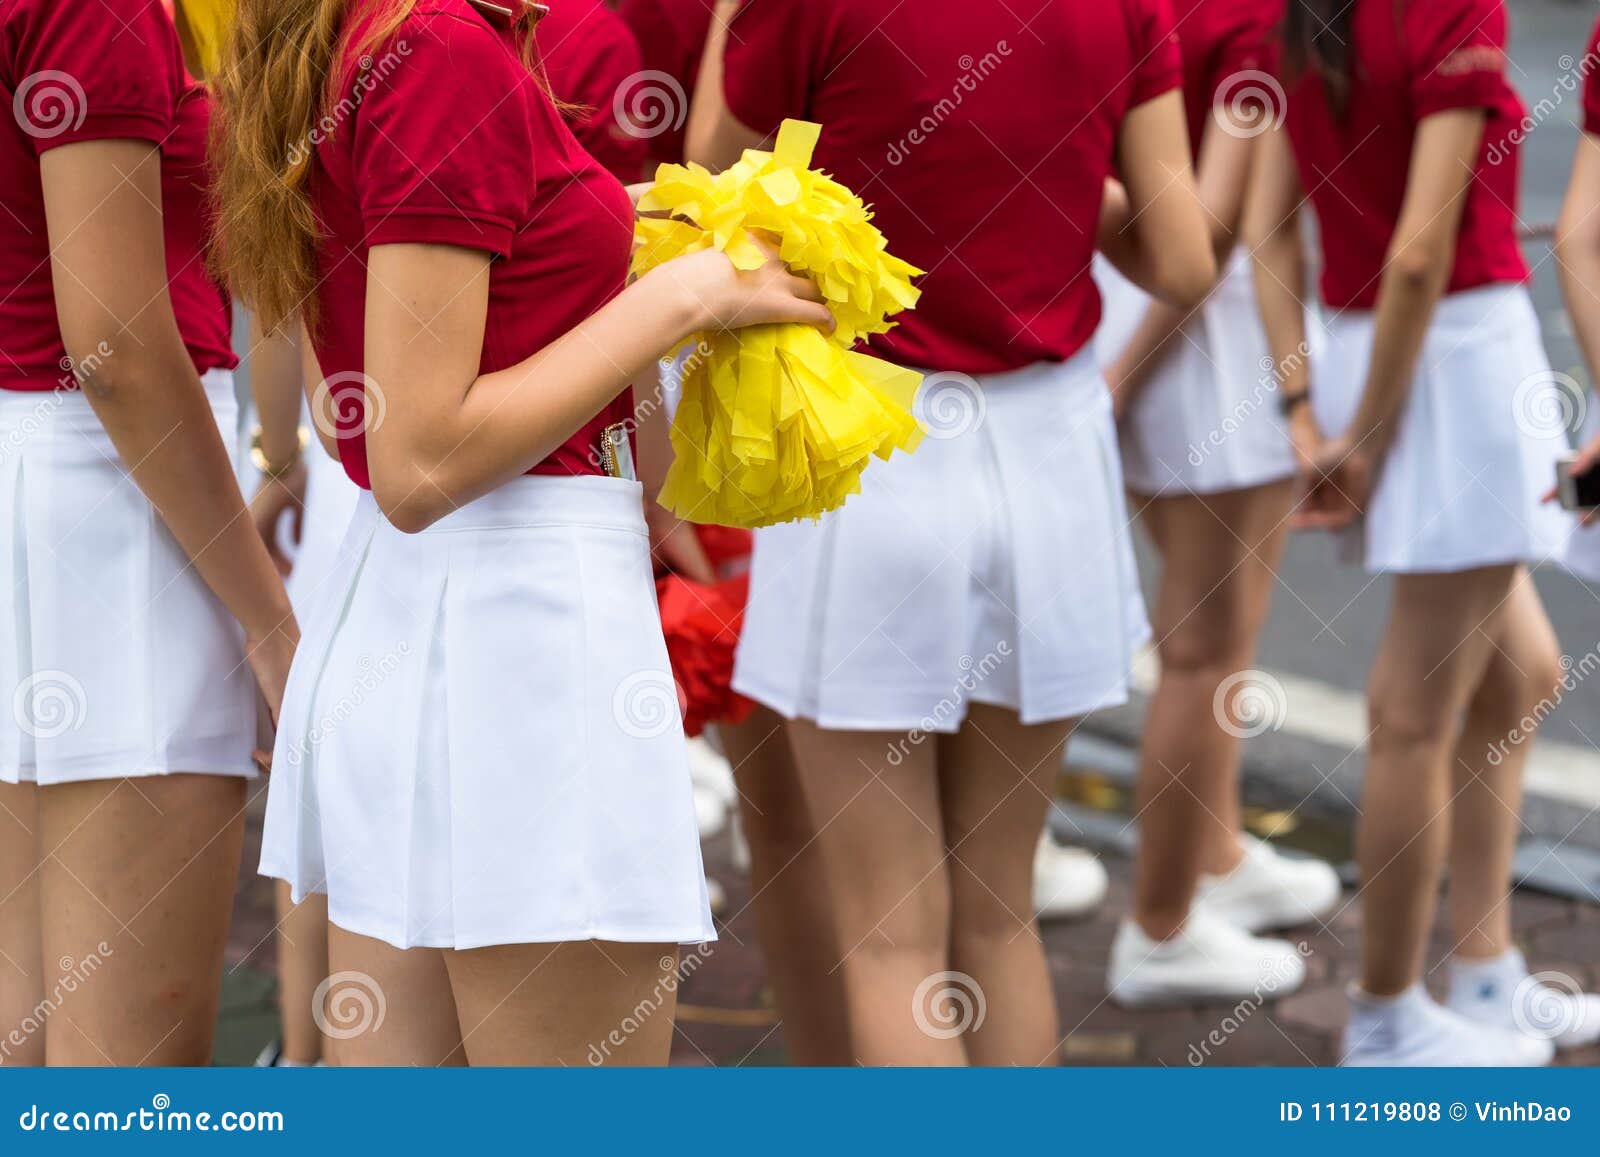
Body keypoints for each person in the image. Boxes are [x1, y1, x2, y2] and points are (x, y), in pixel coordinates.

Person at [213, 0, 830, 1065]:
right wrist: (687, 295)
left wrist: (625, 225)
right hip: (520, 639)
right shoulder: (440, 46)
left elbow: (436, 311)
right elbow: (421, 459)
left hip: (435, 620)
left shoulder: (385, 33)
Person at [693, 0, 1216, 1064]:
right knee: (1000, 913)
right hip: (1050, 460)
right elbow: (1183, 261)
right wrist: (1061, 171)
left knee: (892, 940)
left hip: (870, 448)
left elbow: (713, 187)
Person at [1250, 0, 1574, 1066]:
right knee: (1410, 715)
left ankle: (1482, 972)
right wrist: (1369, 437)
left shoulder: (1285, 13)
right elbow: (1420, 256)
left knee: (1518, 671)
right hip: (1450, 366)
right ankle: (1386, 1017)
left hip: (1368, 365)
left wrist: (1305, 408)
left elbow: (1266, 232)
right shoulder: (1452, 7)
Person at [0, 0, 297, 1065]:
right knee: (127, 1077)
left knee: (31, 1044)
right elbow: (116, 347)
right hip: (104, 496)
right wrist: (267, 618)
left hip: (56, 479)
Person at [1093, 0, 1334, 1007]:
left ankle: (1220, 851)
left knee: (1217, 639)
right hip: (1202, 341)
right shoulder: (1252, 18)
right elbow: (1224, 223)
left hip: (1128, 301)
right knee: (1204, 650)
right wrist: (1122, 381)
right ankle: (1159, 926)